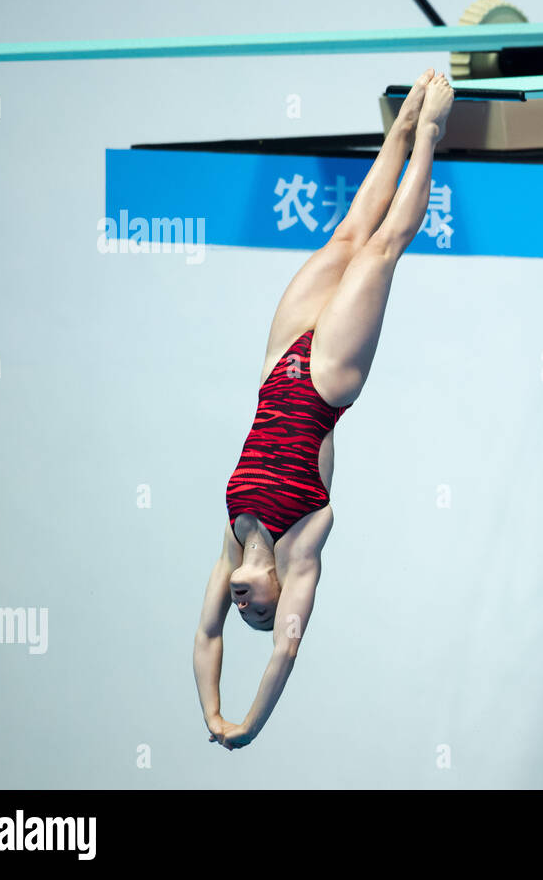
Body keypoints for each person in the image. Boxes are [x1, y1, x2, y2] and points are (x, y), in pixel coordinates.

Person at [193, 70, 454, 749]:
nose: (245, 608)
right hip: (325, 383)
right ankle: (429, 133)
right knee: (381, 250)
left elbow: (205, 634)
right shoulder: (300, 545)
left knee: (344, 239)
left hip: (276, 365)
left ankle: (397, 127)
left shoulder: (232, 541)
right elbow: (284, 653)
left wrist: (215, 712)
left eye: (243, 609)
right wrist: (251, 725)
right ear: (282, 593)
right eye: (262, 613)